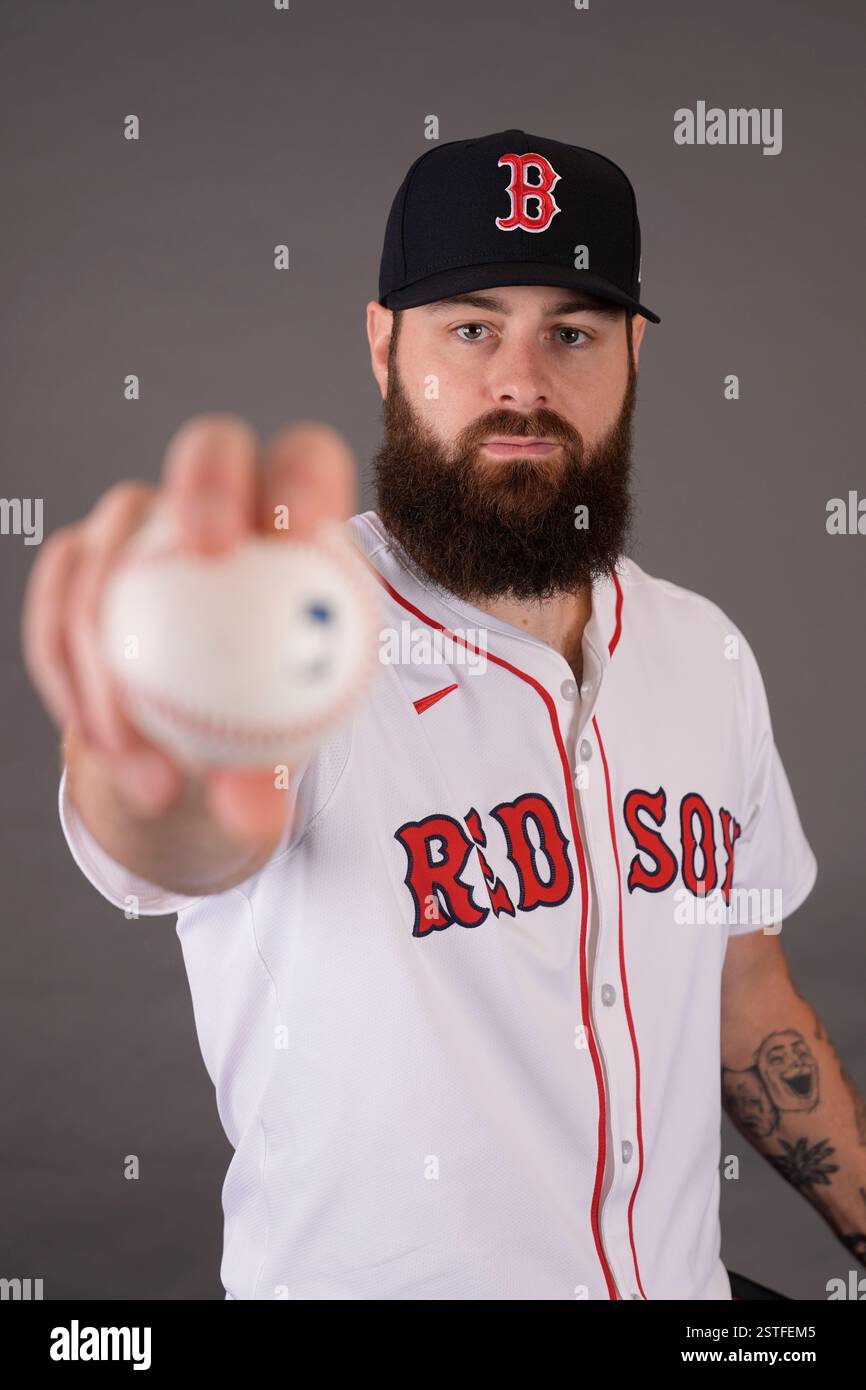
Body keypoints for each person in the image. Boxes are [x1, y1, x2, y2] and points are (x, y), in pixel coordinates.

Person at [22, 130, 866, 1300]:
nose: (519, 380)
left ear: (632, 354)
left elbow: (744, 991)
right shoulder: (287, 640)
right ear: (383, 347)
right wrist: (153, 748)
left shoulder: (702, 650)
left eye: (568, 333)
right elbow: (179, 835)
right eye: (470, 329)